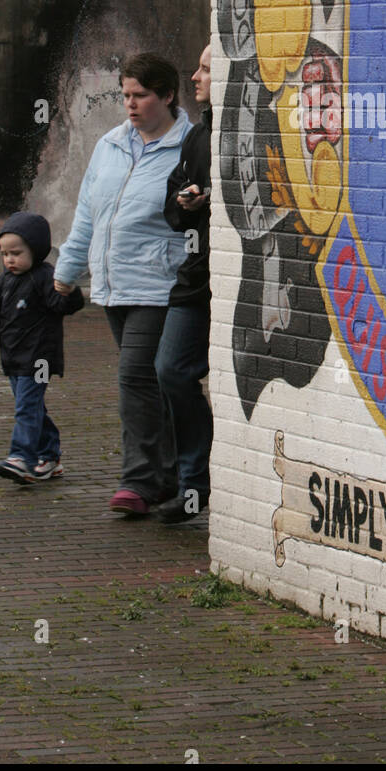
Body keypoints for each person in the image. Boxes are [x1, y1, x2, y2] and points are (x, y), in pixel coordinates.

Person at [52, 53, 191, 515]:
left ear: (167, 95)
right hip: (113, 285)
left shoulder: (189, 146)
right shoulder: (110, 144)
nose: (130, 105)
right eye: (125, 95)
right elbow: (89, 213)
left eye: (141, 96)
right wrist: (67, 273)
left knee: (134, 376)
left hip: (159, 284)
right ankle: (170, 475)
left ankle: (139, 481)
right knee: (151, 383)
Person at [0, 212, 84, 483]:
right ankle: (50, 455)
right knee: (32, 407)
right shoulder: (7, 279)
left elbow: (63, 304)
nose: (9, 260)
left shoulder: (45, 276)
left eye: (16, 253)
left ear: (36, 250)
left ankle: (21, 457)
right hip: (14, 357)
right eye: (4, 254)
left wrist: (70, 292)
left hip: (40, 359)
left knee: (27, 407)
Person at [153, 45, 214, 524]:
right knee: (171, 369)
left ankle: (206, 480)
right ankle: (195, 483)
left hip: (232, 280)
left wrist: (211, 199)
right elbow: (171, 209)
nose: (195, 77)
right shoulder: (197, 137)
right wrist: (187, 200)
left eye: (207, 69)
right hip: (194, 279)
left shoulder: (247, 132)